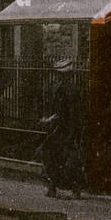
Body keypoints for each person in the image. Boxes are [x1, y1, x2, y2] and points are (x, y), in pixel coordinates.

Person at [38, 57, 86, 200]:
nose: (57, 76)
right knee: (55, 157)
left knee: (65, 159)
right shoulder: (60, 87)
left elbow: (70, 112)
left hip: (65, 129)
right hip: (60, 129)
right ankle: (54, 187)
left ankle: (69, 188)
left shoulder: (69, 89)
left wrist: (50, 120)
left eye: (59, 73)